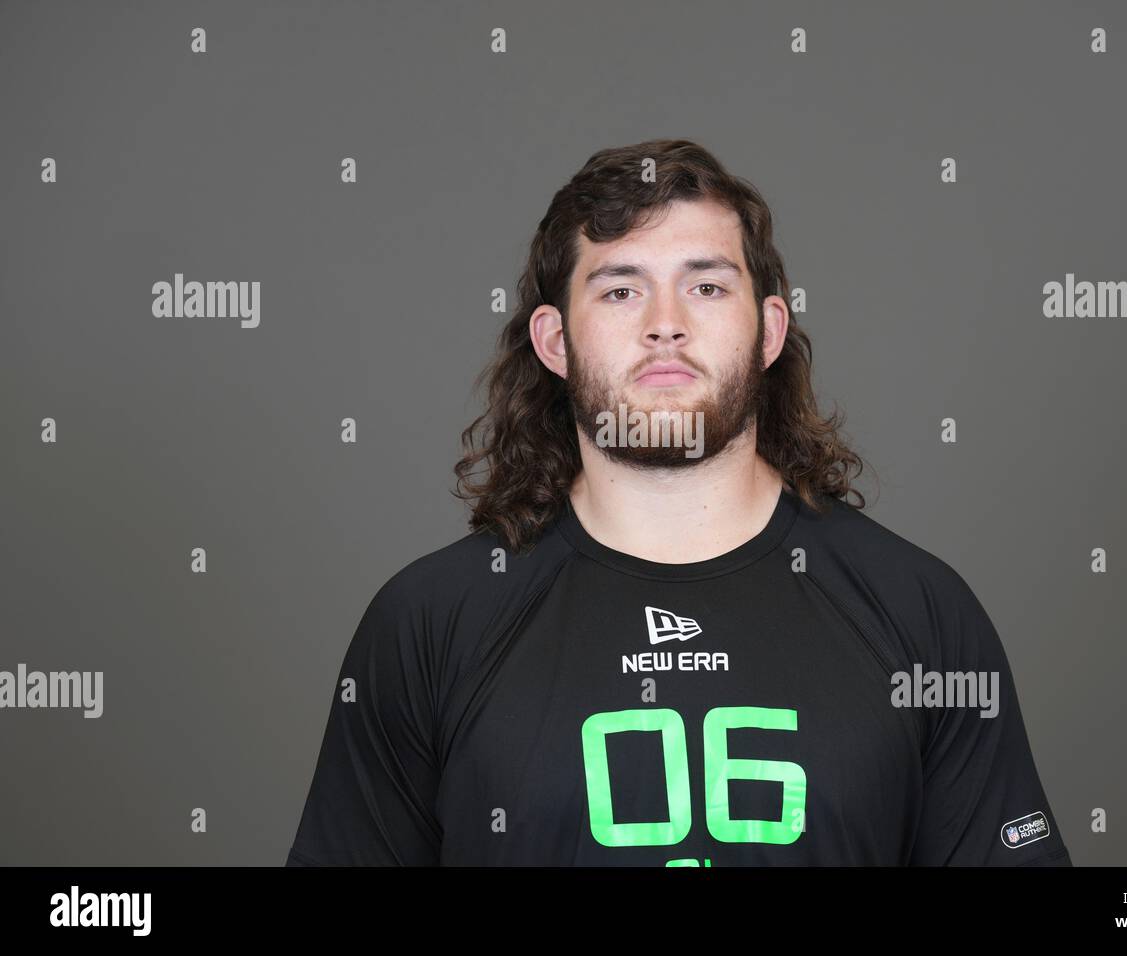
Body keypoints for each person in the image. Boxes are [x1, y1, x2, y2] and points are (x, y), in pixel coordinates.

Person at [285, 139, 1071, 866]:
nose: (667, 326)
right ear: (554, 341)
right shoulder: (431, 623)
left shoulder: (917, 611)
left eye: (705, 285)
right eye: (622, 289)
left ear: (768, 331)